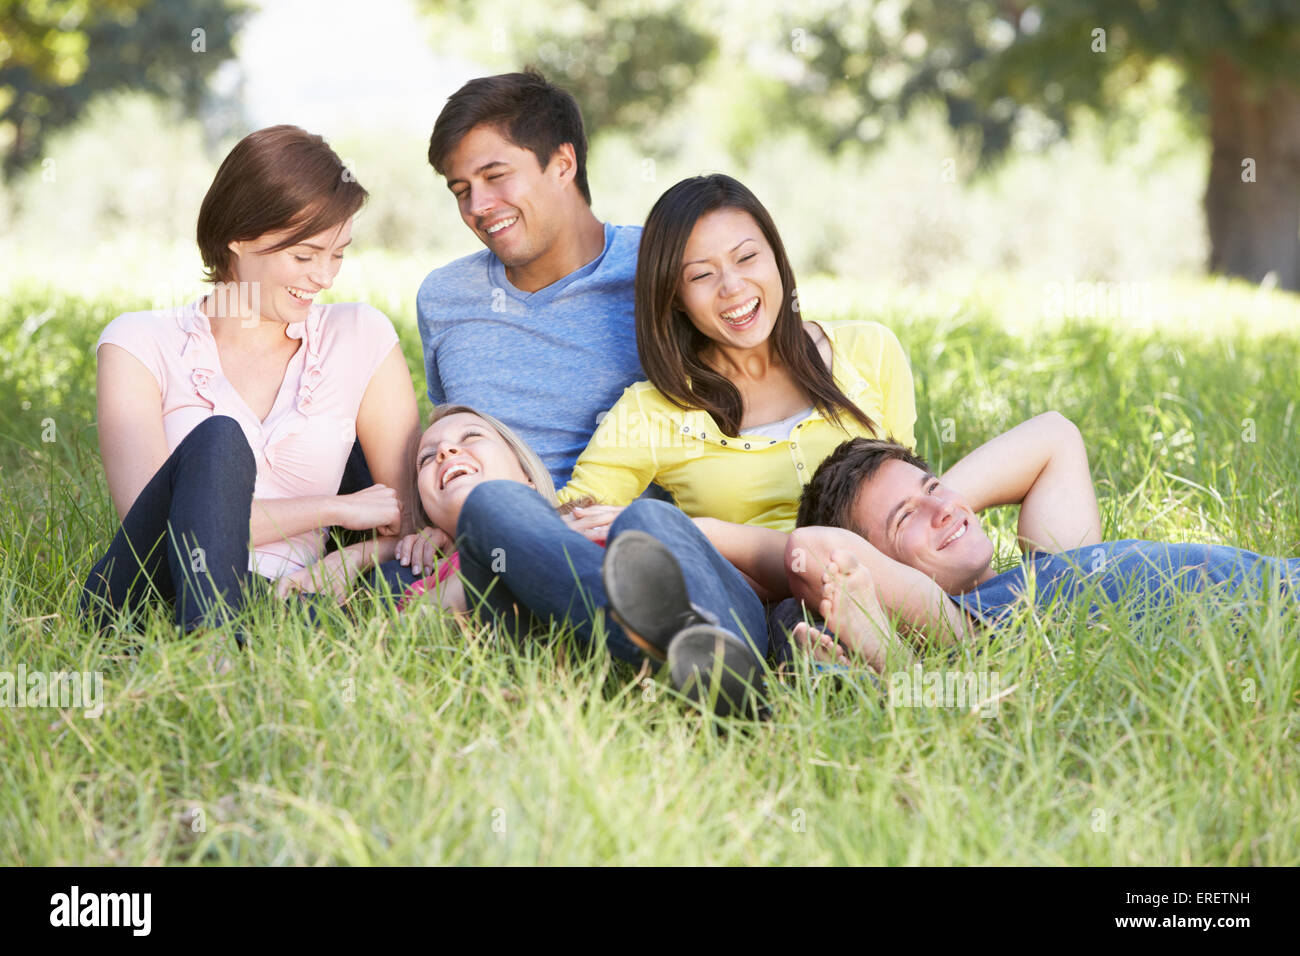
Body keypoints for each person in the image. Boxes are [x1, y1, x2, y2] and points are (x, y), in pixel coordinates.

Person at [81, 125, 420, 638]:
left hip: (288, 599)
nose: (325, 276)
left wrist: (360, 554)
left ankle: (229, 653)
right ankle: (213, 652)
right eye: (304, 256)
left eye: (339, 253)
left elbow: (405, 515)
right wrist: (334, 510)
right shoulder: (138, 342)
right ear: (236, 239)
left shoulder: (360, 336)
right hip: (155, 591)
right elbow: (162, 532)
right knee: (218, 439)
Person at [785, 413, 1300, 669]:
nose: (943, 507)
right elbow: (814, 548)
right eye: (905, 518)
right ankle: (895, 667)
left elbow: (1054, 435)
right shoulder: (966, 617)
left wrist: (944, 509)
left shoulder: (1052, 571)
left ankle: (896, 668)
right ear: (881, 569)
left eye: (934, 487)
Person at [556, 173, 917, 533]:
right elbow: (574, 518)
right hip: (739, 587)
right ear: (676, 298)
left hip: (881, 580)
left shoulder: (871, 349)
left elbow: (918, 490)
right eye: (701, 276)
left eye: (746, 257)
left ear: (775, 254)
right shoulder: (651, 412)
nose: (732, 286)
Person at [397, 69, 652, 579]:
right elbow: (451, 434)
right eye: (461, 190)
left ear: (563, 163)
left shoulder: (656, 270)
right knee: (386, 583)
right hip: (480, 544)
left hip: (620, 536)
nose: (478, 208)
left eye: (495, 177)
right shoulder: (445, 298)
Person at [401, 403, 783, 716]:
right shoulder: (439, 571)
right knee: (488, 504)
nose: (447, 453)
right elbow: (406, 638)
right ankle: (684, 651)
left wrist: (684, 533)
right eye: (427, 458)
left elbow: (766, 575)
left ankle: (707, 656)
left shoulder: (600, 513)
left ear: (527, 476)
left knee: (651, 515)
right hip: (570, 655)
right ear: (427, 507)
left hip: (724, 620)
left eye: (471, 437)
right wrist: (496, 555)